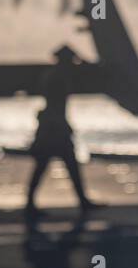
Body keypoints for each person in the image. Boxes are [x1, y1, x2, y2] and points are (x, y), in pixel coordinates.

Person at [26, 45, 98, 217]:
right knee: (58, 166)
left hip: (52, 127)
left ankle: (82, 201)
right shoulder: (57, 78)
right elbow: (56, 107)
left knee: (51, 167)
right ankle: (82, 202)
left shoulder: (54, 75)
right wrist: (63, 126)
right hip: (54, 129)